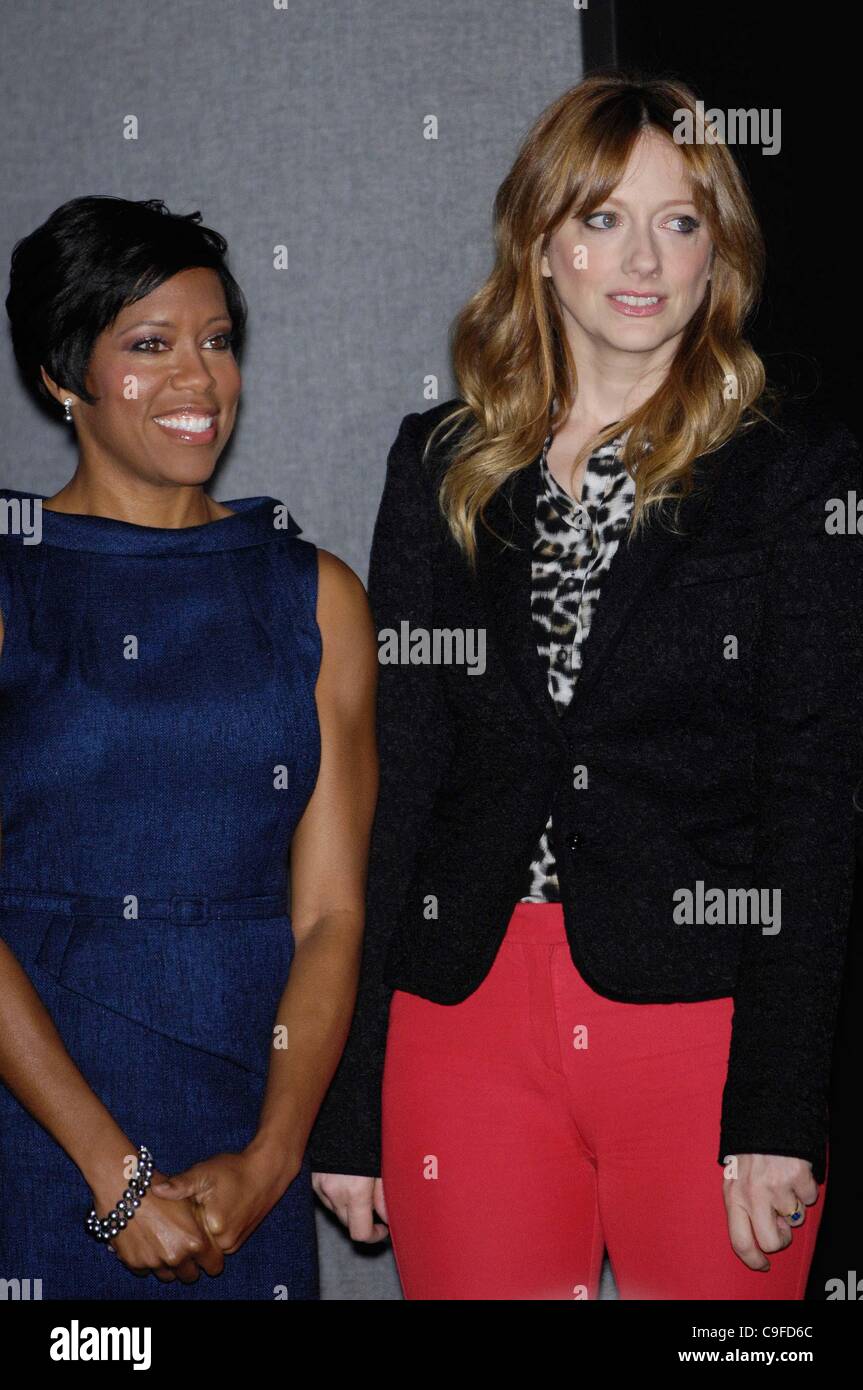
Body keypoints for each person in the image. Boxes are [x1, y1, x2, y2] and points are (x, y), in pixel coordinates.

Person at [307, 71, 863, 1299]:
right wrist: (350, 1097)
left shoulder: (792, 473)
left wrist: (775, 1099)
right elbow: (397, 782)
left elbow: (814, 801)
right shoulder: (439, 463)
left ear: (718, 253)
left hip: (701, 1023)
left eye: (680, 220)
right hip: (462, 1016)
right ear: (541, 242)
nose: (644, 257)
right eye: (603, 216)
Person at [0, 195, 377, 1299]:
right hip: (38, 1122)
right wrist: (112, 1176)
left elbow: (330, 915)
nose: (197, 382)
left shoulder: (315, 594)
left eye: (216, 343)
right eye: (149, 346)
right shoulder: (14, 584)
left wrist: (271, 1158)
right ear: (61, 375)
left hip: (243, 1125)